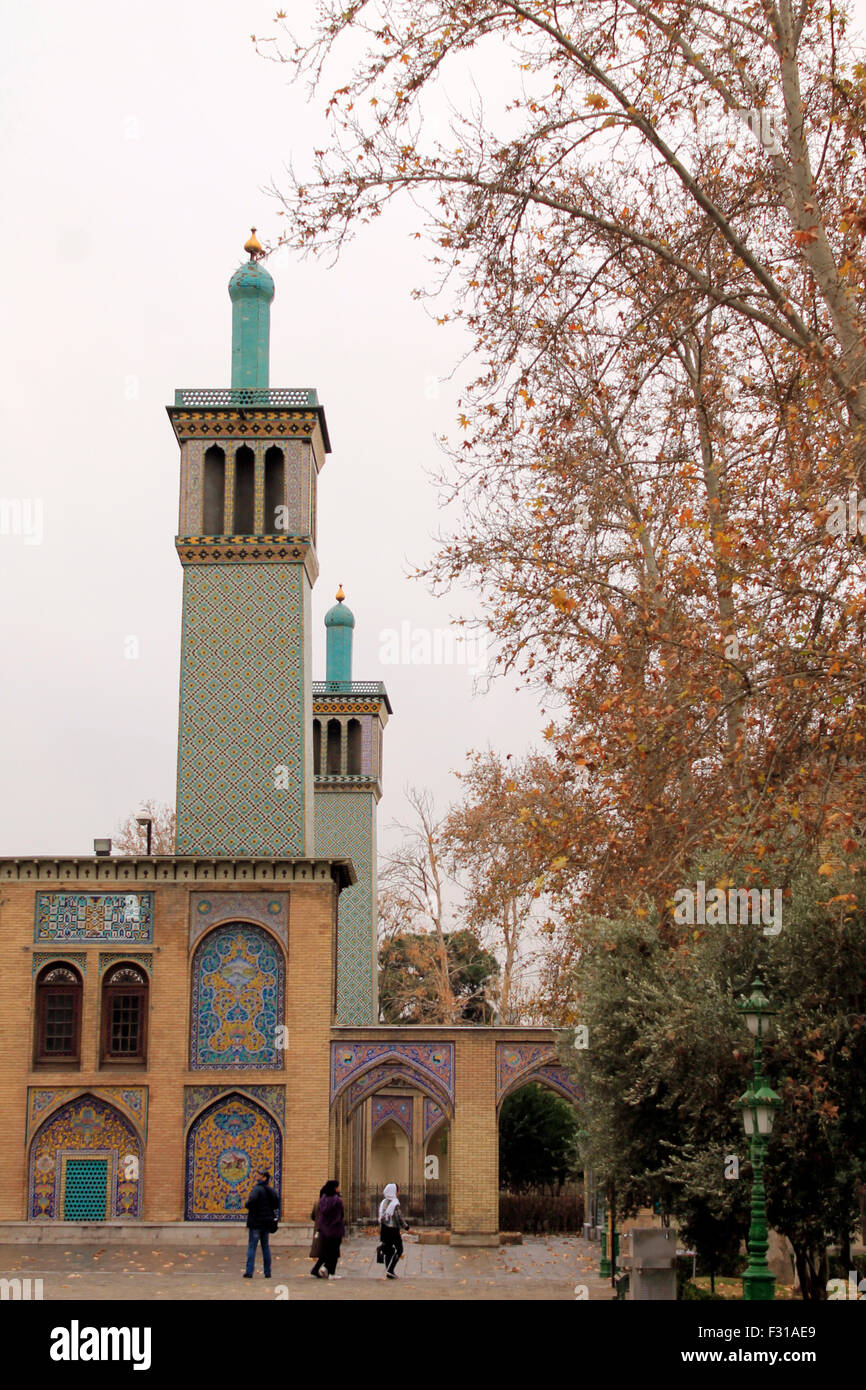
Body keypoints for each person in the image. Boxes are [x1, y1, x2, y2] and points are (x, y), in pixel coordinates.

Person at [243, 1168, 280, 1279]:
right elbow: (276, 1204)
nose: (257, 1175)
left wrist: (248, 1205)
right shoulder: (271, 1190)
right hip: (267, 1223)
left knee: (252, 1247)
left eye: (260, 1174)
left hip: (256, 1223)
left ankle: (249, 1272)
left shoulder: (256, 1189)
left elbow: (251, 1202)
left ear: (264, 1178)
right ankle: (267, 1272)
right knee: (265, 1247)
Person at [312, 1179, 345, 1280]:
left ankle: (318, 1268)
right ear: (335, 1188)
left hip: (324, 1229)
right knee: (334, 1252)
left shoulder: (323, 1200)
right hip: (335, 1229)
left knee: (326, 1251)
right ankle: (331, 1272)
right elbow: (341, 1215)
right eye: (338, 1187)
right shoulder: (337, 1200)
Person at [378, 1182, 408, 1279]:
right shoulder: (395, 1203)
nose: (398, 1193)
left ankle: (388, 1271)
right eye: (397, 1191)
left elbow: (381, 1216)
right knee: (399, 1249)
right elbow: (399, 1217)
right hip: (393, 1230)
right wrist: (406, 1226)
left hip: (384, 1229)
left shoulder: (383, 1202)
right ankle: (390, 1269)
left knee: (388, 1250)